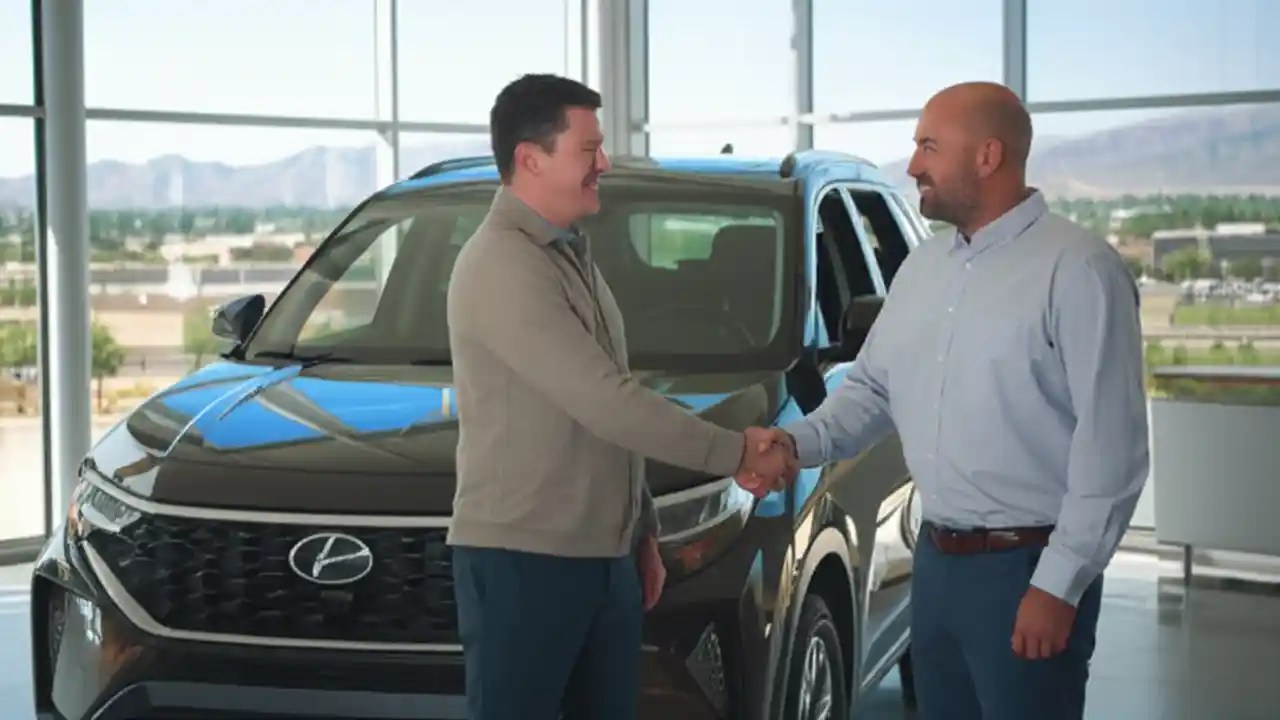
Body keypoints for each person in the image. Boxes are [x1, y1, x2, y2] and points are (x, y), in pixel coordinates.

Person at [754, 81, 1150, 719]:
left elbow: (1114, 449)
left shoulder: (1078, 271)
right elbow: (872, 392)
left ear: (987, 157)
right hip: (935, 564)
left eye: (928, 146)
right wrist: (795, 444)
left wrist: (1060, 584)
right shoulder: (924, 268)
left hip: (1027, 569)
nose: (913, 165)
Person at [445, 73, 792, 720]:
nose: (604, 163)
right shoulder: (502, 264)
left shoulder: (568, 254)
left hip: (600, 557)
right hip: (527, 562)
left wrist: (642, 530)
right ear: (531, 159)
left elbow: (608, 408)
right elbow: (605, 400)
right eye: (589, 149)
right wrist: (736, 450)